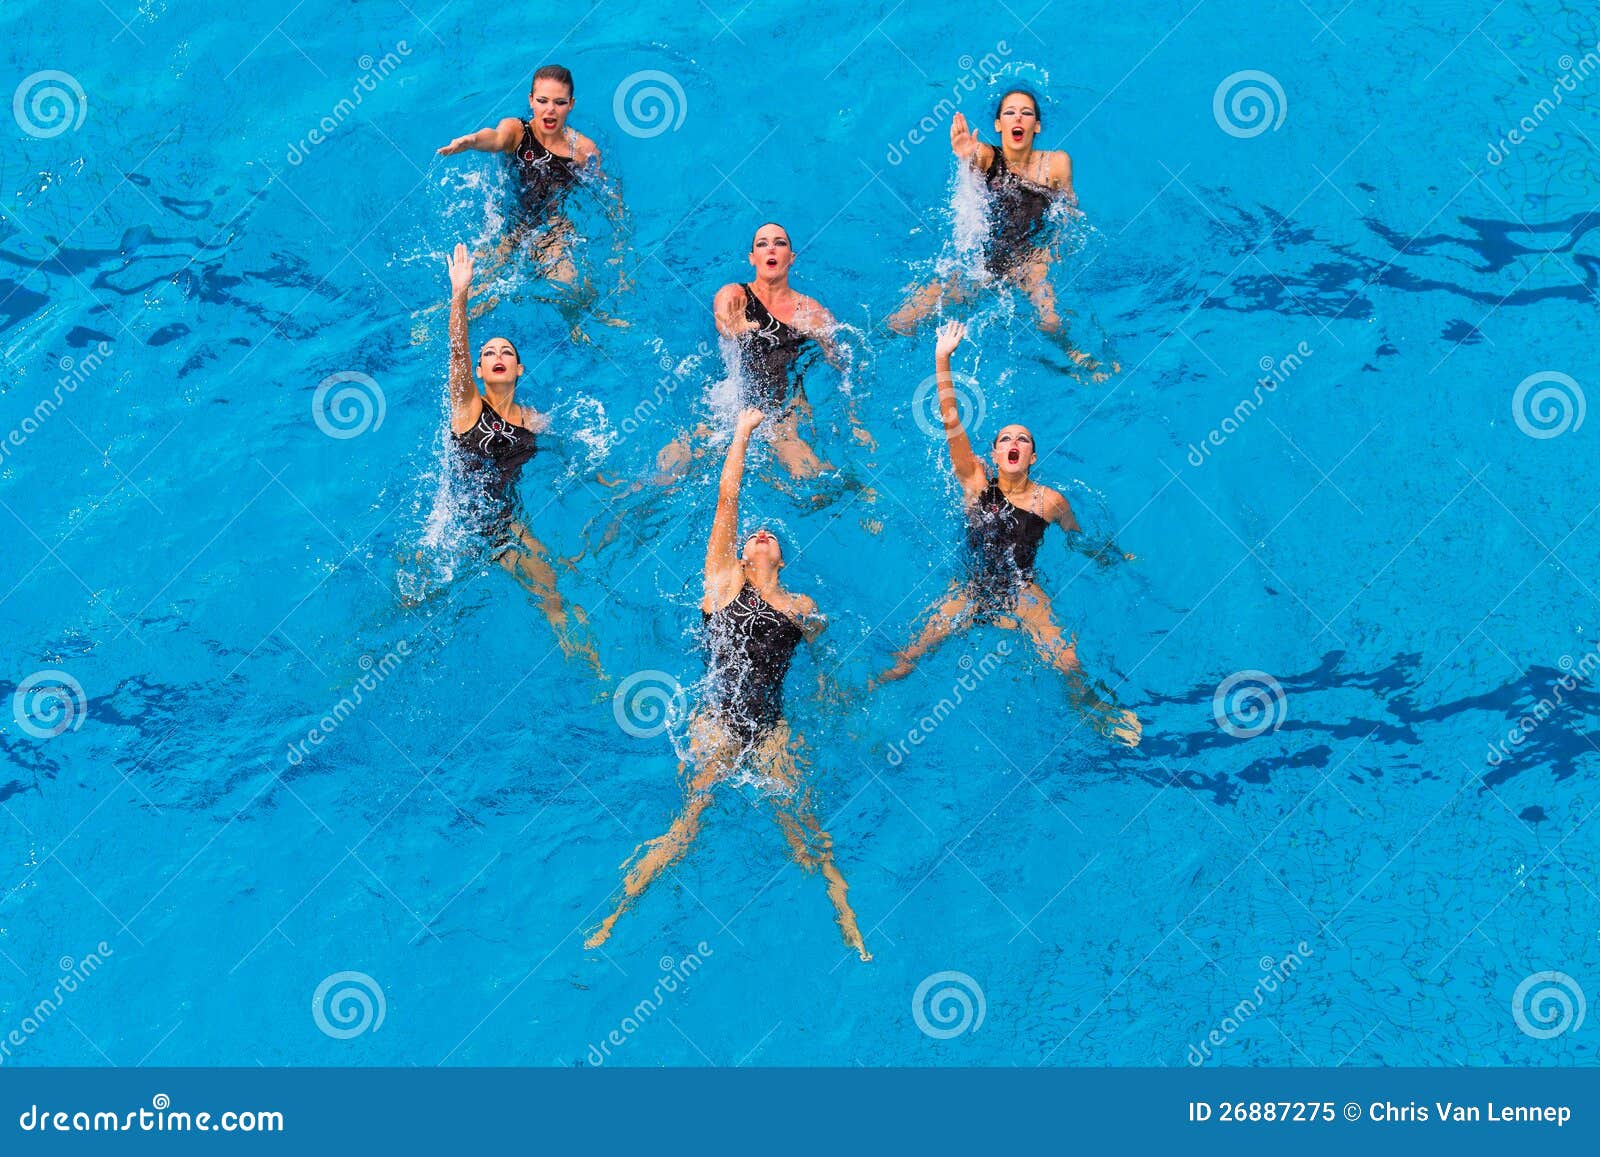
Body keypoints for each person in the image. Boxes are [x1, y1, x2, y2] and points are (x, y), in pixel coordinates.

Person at [586, 408, 871, 960]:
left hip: (770, 729)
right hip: (715, 722)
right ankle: (615, 918)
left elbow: (821, 644)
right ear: (740, 552)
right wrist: (740, 433)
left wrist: (821, 647)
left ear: (782, 559)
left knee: (806, 827)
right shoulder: (720, 584)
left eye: (771, 537)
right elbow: (727, 502)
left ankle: (846, 917)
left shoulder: (799, 604)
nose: (761, 533)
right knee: (688, 822)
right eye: (754, 536)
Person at [874, 321, 1140, 747]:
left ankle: (1092, 709)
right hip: (971, 588)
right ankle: (865, 699)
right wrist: (942, 359)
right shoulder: (976, 482)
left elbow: (1078, 540)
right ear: (995, 453)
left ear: (1032, 456)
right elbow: (951, 424)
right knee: (908, 660)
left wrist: (1111, 557)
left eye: (1023, 439)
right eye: (1005, 438)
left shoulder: (1051, 502)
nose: (1014, 442)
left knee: (1068, 662)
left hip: (1023, 594)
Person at [444, 242, 606, 680]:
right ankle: (587, 668)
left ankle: (587, 667)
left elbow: (570, 453)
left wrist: (604, 478)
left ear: (519, 370)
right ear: (480, 371)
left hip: (507, 517)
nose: (497, 357)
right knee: (548, 589)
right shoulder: (467, 407)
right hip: (465, 524)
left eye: (506, 353)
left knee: (554, 586)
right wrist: (460, 296)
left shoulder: (534, 420)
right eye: (489, 353)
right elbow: (458, 354)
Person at [887, 91, 1106, 377]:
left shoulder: (1056, 163)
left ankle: (1075, 356)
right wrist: (967, 154)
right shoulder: (990, 157)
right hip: (984, 263)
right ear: (999, 125)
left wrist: (1055, 252)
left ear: (1036, 126)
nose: (1018, 117)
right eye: (1010, 112)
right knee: (901, 321)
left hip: (1032, 259)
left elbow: (1069, 214)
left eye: (1026, 113)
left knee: (1050, 322)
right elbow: (978, 156)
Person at [656, 223, 872, 481]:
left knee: (811, 479)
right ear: (752, 258)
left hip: (783, 412)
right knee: (675, 465)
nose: (771, 248)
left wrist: (855, 419)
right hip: (734, 404)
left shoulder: (811, 311)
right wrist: (733, 329)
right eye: (762, 243)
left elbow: (843, 365)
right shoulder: (735, 294)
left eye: (780, 243)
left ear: (791, 258)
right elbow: (723, 321)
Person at [437, 65, 626, 338]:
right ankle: (436, 328)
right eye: (542, 101)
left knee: (570, 287)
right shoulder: (517, 131)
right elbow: (495, 137)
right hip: (510, 228)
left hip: (553, 229)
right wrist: (471, 141)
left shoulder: (584, 151)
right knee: (472, 292)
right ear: (531, 101)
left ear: (571, 105)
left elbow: (611, 198)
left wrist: (619, 251)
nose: (550, 110)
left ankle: (582, 324)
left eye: (559, 103)